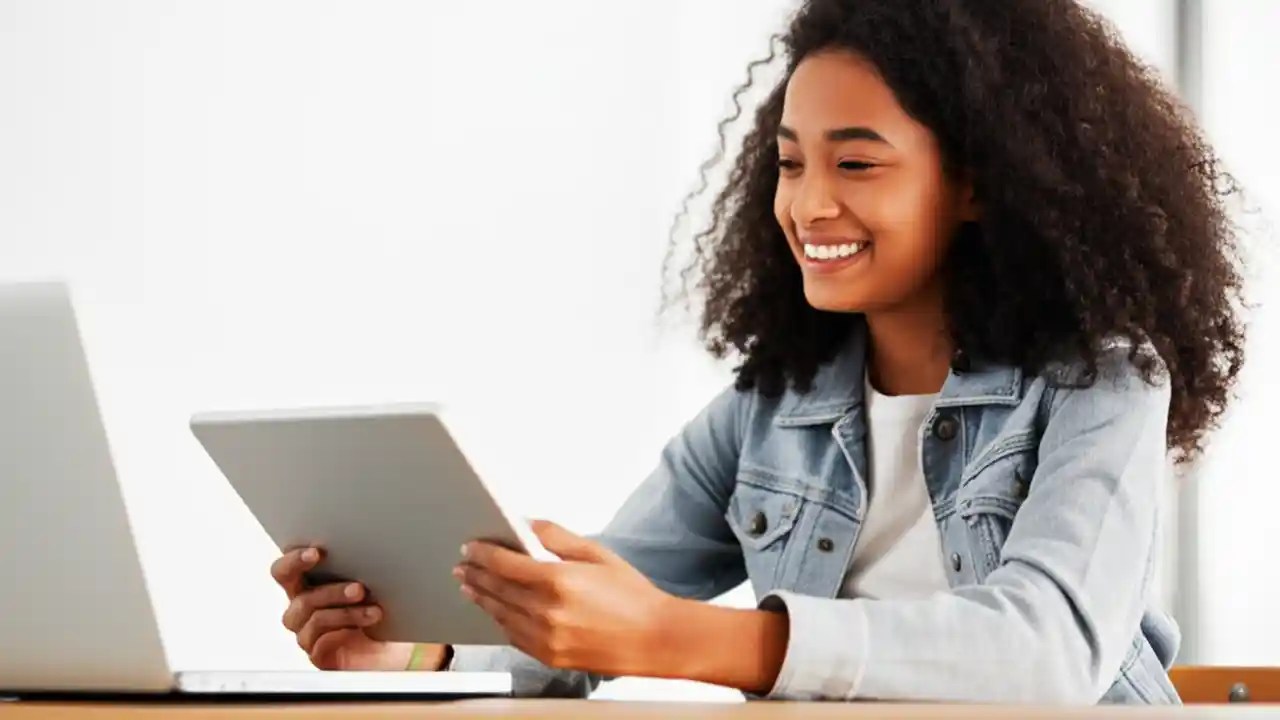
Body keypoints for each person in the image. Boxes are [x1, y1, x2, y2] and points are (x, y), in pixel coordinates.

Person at [268, 0, 1245, 704]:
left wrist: (688, 638)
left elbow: (1045, 655)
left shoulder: (1100, 380)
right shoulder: (768, 410)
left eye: (855, 163)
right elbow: (578, 628)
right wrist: (413, 659)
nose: (807, 204)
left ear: (978, 185)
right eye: (788, 162)